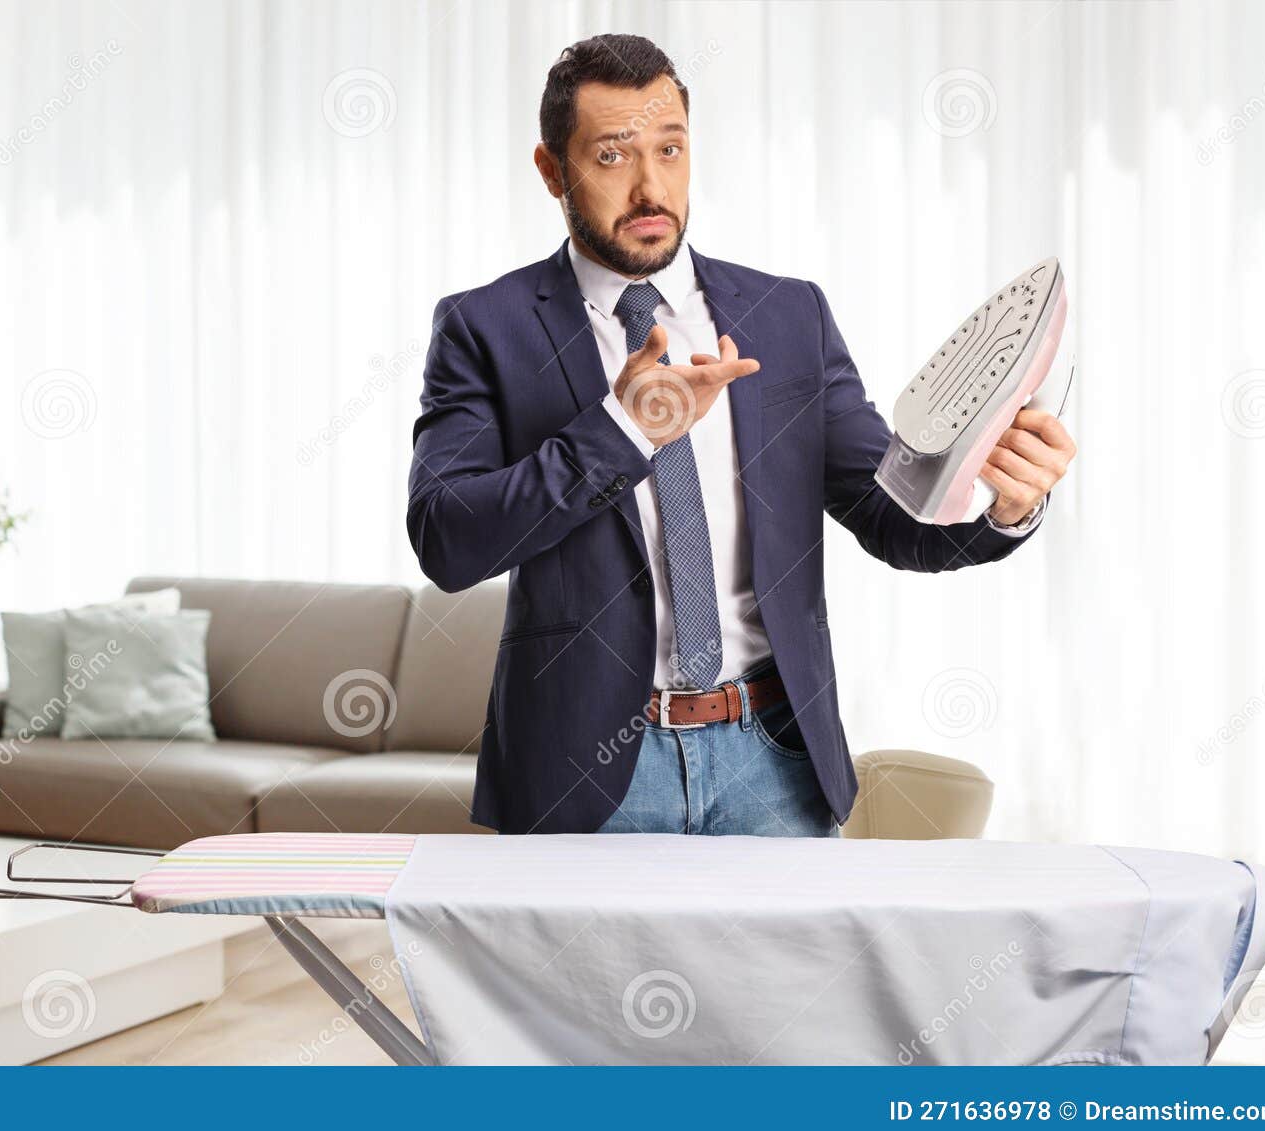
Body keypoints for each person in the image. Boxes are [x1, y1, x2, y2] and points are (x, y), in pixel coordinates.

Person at [406, 33, 1075, 837]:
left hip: (774, 762)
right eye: (613, 157)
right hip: (588, 775)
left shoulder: (787, 316)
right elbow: (449, 541)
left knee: (795, 972)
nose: (651, 186)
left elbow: (895, 519)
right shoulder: (486, 327)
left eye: (671, 149)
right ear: (553, 171)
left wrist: (1006, 506)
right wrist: (622, 429)